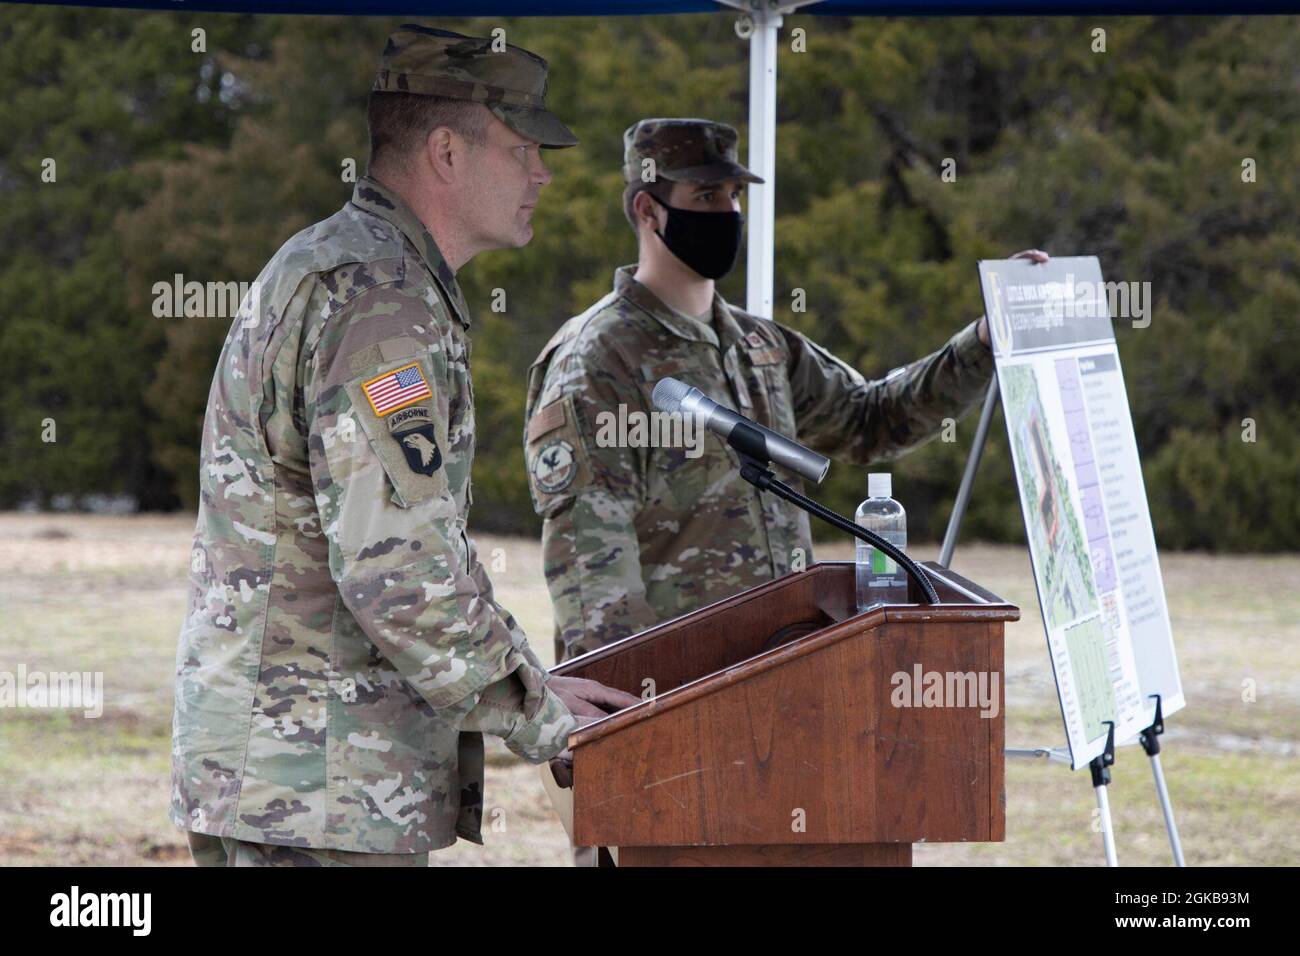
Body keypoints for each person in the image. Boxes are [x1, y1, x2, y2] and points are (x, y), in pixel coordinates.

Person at [170, 24, 638, 868]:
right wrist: (543, 716)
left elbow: (415, 542)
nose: (544, 172)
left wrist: (532, 679)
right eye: (525, 145)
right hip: (318, 785)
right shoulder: (382, 299)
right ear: (448, 153)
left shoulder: (357, 269)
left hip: (301, 778)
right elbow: (398, 564)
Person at [524, 116, 1048, 661]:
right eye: (705, 196)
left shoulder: (760, 345)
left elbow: (872, 420)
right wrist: (631, 704)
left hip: (780, 673)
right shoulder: (599, 359)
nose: (727, 213)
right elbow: (592, 567)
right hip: (677, 691)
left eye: (733, 195)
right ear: (648, 209)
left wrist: (981, 341)